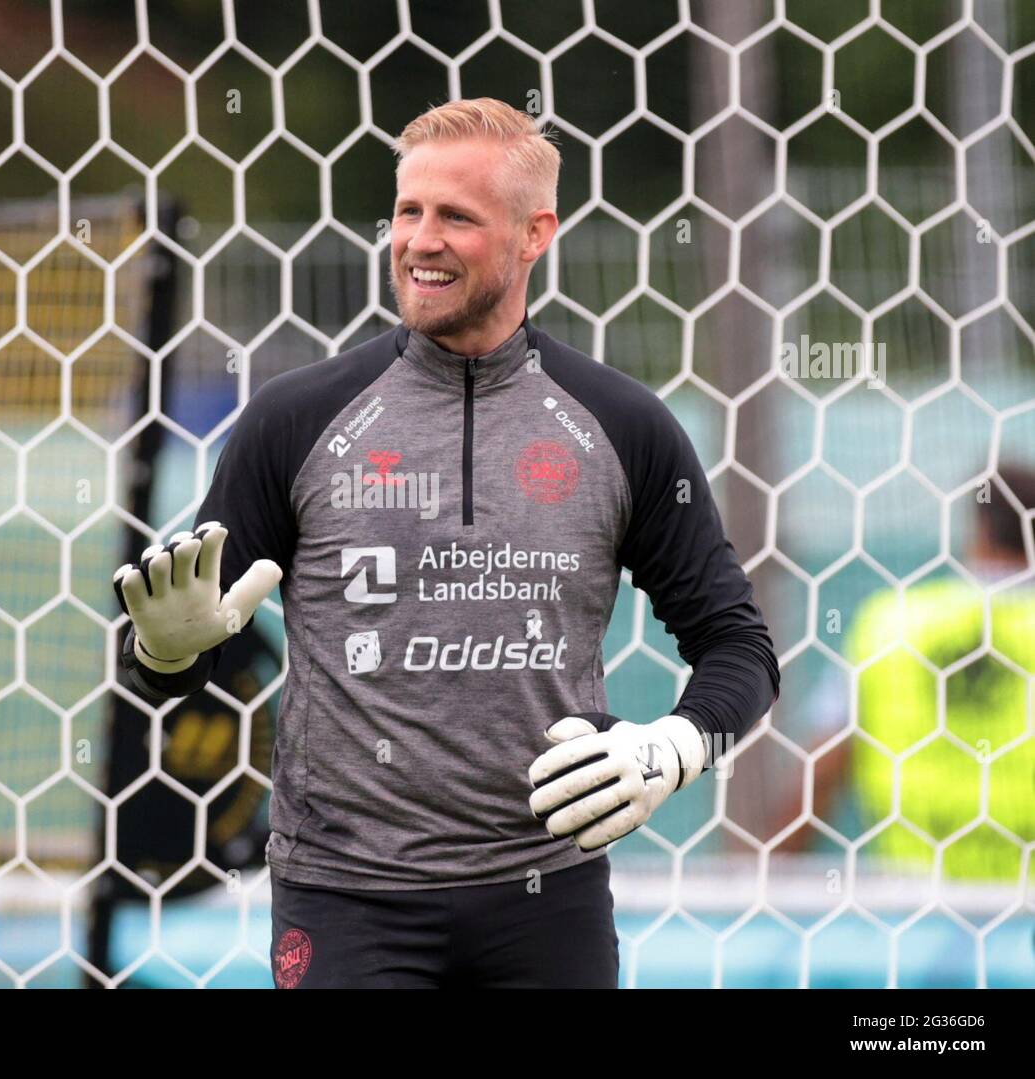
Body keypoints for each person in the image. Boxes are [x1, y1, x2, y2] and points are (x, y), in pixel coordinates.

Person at [113, 98, 779, 988]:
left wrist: (673, 745)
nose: (419, 241)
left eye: (456, 217)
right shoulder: (295, 419)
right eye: (408, 212)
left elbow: (740, 645)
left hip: (550, 895)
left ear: (534, 232)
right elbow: (176, 659)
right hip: (345, 899)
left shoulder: (624, 427)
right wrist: (165, 648)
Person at [784, 461, 1035, 882]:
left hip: (915, 915)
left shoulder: (889, 623)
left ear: (979, 530)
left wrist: (760, 879)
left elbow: (823, 771)